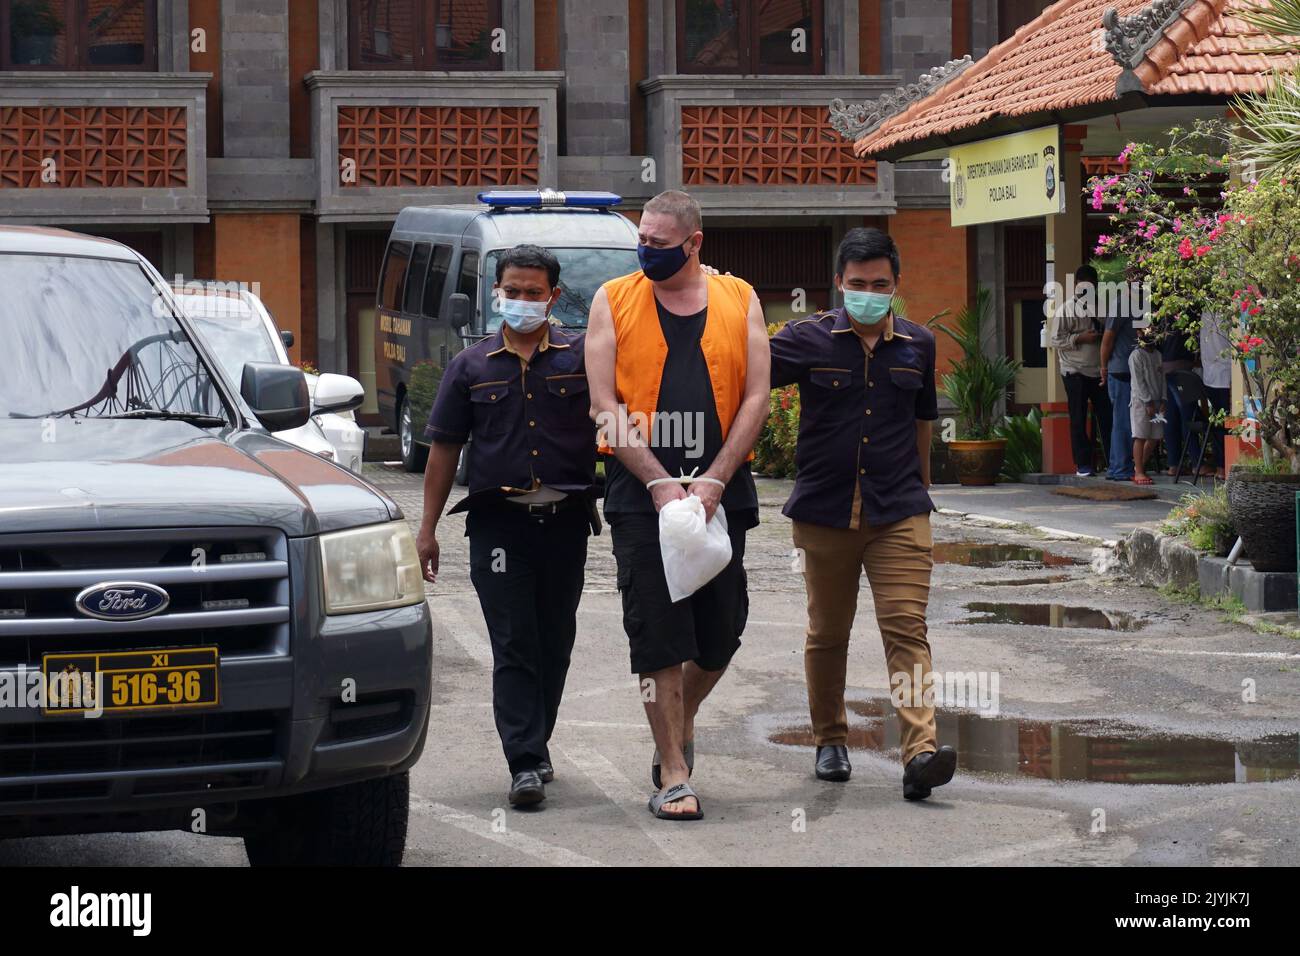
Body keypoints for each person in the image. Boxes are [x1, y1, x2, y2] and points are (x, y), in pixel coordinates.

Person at [586, 189, 770, 821]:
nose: (645, 252)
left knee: (721, 633)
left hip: (724, 492)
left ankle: (680, 718)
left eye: (659, 244)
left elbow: (757, 398)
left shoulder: (739, 298)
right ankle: (672, 770)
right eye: (640, 239)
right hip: (641, 495)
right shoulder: (612, 300)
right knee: (657, 635)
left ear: (694, 244)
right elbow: (604, 405)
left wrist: (715, 479)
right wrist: (661, 482)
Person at [769, 227, 957, 802]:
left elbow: (923, 420)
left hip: (899, 509)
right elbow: (742, 373)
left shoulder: (918, 345)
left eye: (879, 284)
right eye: (857, 284)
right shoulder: (806, 339)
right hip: (824, 511)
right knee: (828, 632)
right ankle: (830, 739)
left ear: (895, 285)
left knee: (906, 629)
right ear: (839, 284)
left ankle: (920, 752)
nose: (868, 292)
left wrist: (922, 489)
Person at [416, 244, 598, 809]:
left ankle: (537, 741)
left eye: (533, 293)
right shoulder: (469, 366)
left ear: (554, 296)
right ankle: (523, 761)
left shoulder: (584, 357)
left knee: (555, 640)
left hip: (565, 523)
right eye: (512, 291)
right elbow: (444, 449)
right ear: (497, 293)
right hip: (499, 528)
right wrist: (427, 530)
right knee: (514, 641)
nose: (522, 301)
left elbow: (618, 423)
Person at [1051, 264, 1112, 476]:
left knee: (1107, 417)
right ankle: (1083, 464)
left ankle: (1113, 460)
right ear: (1076, 285)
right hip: (1073, 370)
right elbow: (1055, 340)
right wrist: (1080, 338)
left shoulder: (1103, 308)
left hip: (1099, 371)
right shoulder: (1065, 310)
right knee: (1078, 417)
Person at [1100, 291, 1139, 480]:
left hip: (1131, 369)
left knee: (1124, 420)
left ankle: (1119, 466)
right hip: (1121, 369)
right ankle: (1120, 467)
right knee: (1123, 420)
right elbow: (1107, 339)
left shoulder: (1141, 303)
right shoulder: (1123, 304)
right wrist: (1103, 366)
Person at [1159, 314, 1200, 476]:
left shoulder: (1160, 311)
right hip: (1183, 368)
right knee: (1188, 415)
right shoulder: (1186, 311)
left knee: (1172, 417)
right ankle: (1197, 462)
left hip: (1166, 367)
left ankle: (1173, 464)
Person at [1129, 325, 1166, 486]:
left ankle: (1139, 467)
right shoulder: (1136, 355)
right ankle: (1138, 471)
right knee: (1140, 435)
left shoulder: (1158, 355)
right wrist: (1147, 402)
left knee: (1155, 436)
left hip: (1158, 401)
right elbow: (1138, 382)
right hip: (1140, 402)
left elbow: (1162, 378)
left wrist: (1164, 399)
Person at [1199, 311, 1233, 479]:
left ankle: (1221, 466)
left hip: (1210, 375)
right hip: (1226, 375)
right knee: (1227, 424)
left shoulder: (1205, 314)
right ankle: (1224, 465)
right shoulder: (1225, 315)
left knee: (1218, 423)